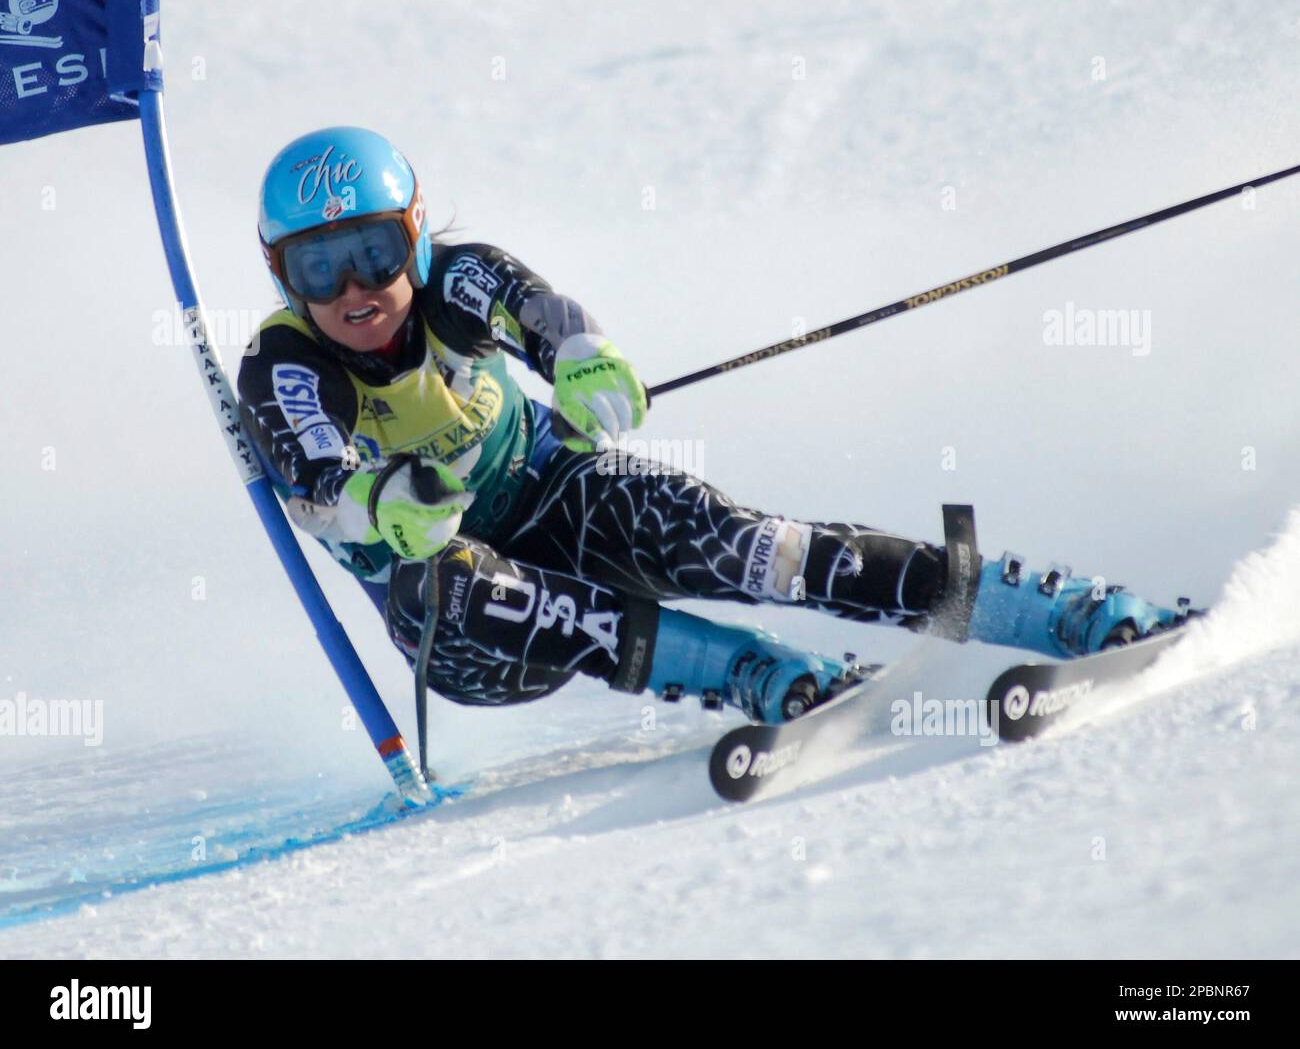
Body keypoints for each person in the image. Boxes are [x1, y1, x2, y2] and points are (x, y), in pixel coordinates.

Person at [237, 126, 1183, 726]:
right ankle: (754, 675)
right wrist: (380, 502)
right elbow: (325, 475)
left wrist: (580, 354)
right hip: (463, 632)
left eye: (375, 251)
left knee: (737, 544)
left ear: (419, 235)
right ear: (285, 277)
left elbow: (532, 306)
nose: (357, 290)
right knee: (460, 579)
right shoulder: (283, 366)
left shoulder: (455, 282)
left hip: (547, 490)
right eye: (321, 269)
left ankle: (1052, 611)